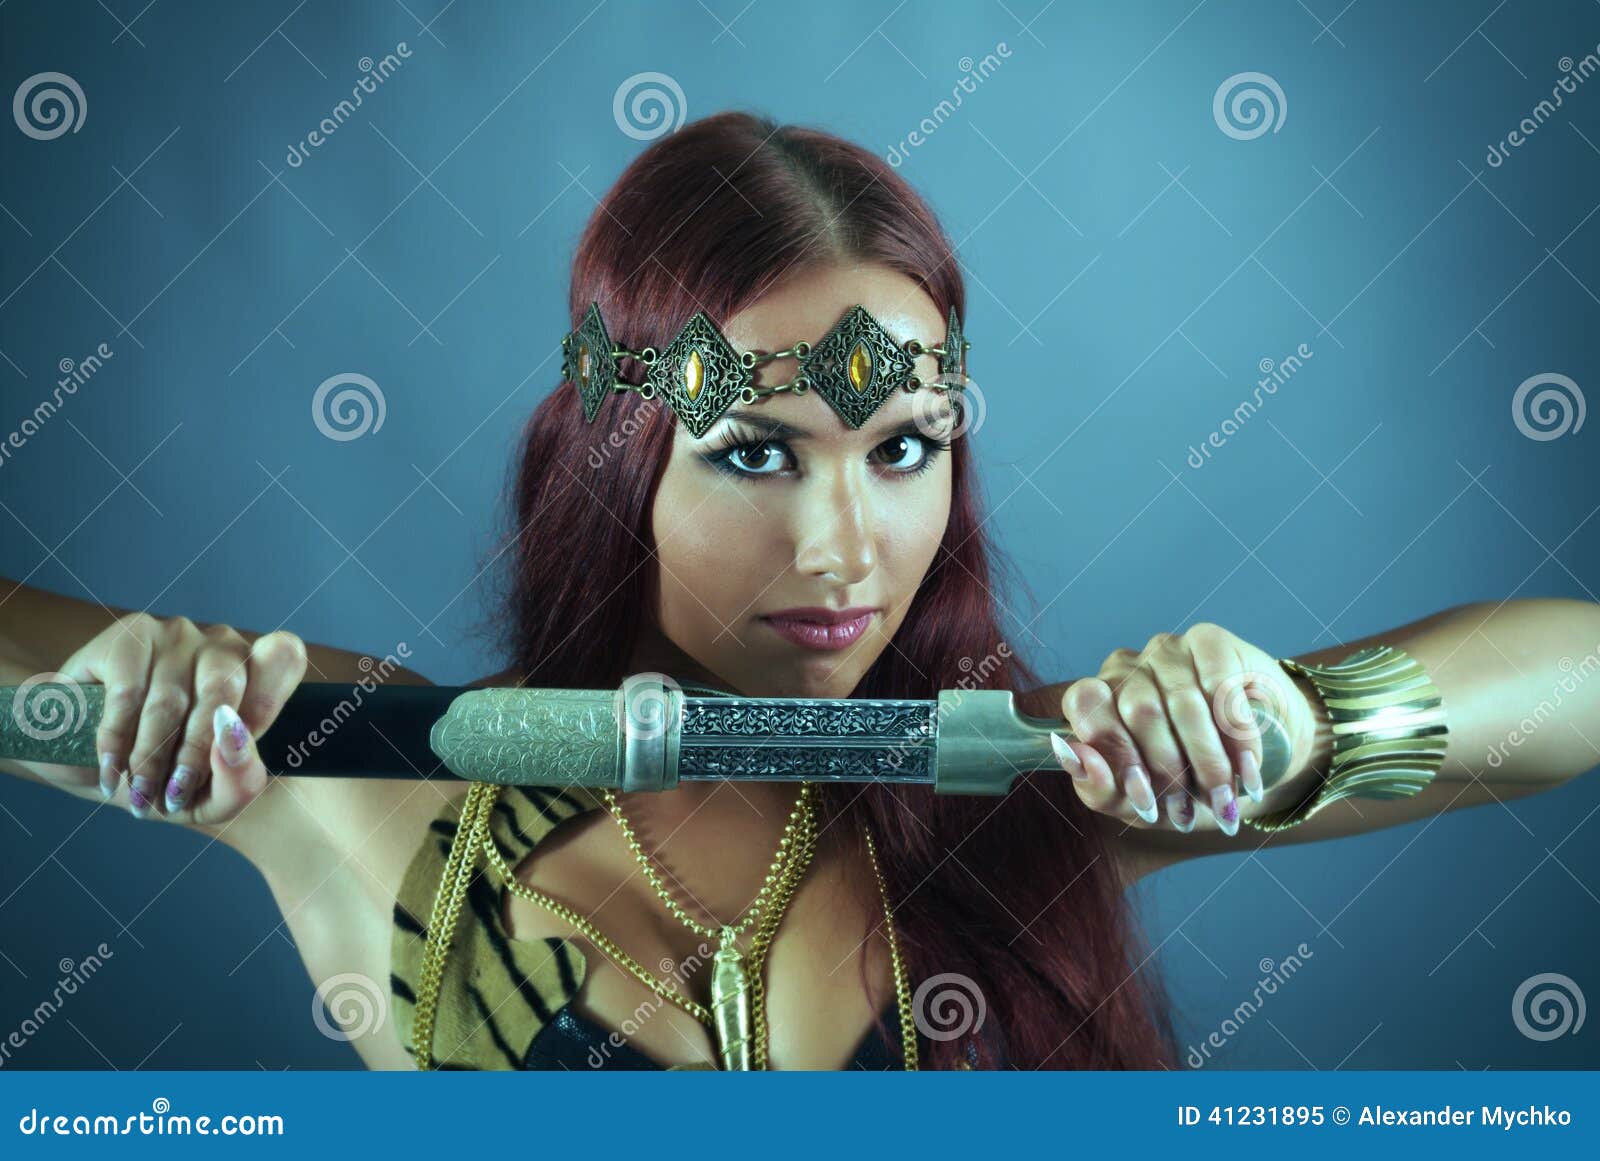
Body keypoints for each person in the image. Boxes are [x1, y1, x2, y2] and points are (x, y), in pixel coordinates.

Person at [2, 110, 1597, 1071]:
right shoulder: (372, 783)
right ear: (618, 463)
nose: (846, 550)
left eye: (902, 450)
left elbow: (1574, 676)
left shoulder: (1047, 783)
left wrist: (1299, 724)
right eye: (758, 454)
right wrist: (135, 685)